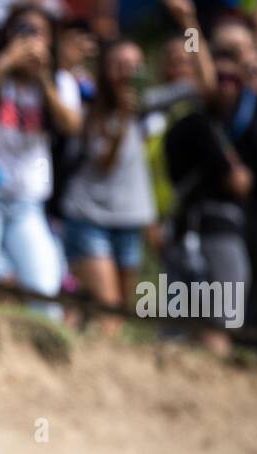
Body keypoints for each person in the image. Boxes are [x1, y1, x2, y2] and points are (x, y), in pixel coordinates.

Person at [0, 4, 82, 315]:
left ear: (50, 40)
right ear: (8, 34)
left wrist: (45, 78)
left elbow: (71, 126)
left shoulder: (61, 82)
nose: (30, 40)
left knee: (45, 290)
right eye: (23, 30)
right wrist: (2, 68)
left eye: (38, 33)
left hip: (28, 202)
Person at [61, 39, 156, 331]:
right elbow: (104, 161)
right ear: (105, 71)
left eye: (134, 66)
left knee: (118, 312)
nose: (128, 74)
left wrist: (190, 25)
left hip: (131, 221)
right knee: (110, 312)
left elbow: (198, 89)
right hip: (88, 218)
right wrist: (124, 118)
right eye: (120, 65)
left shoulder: (150, 110)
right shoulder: (87, 110)